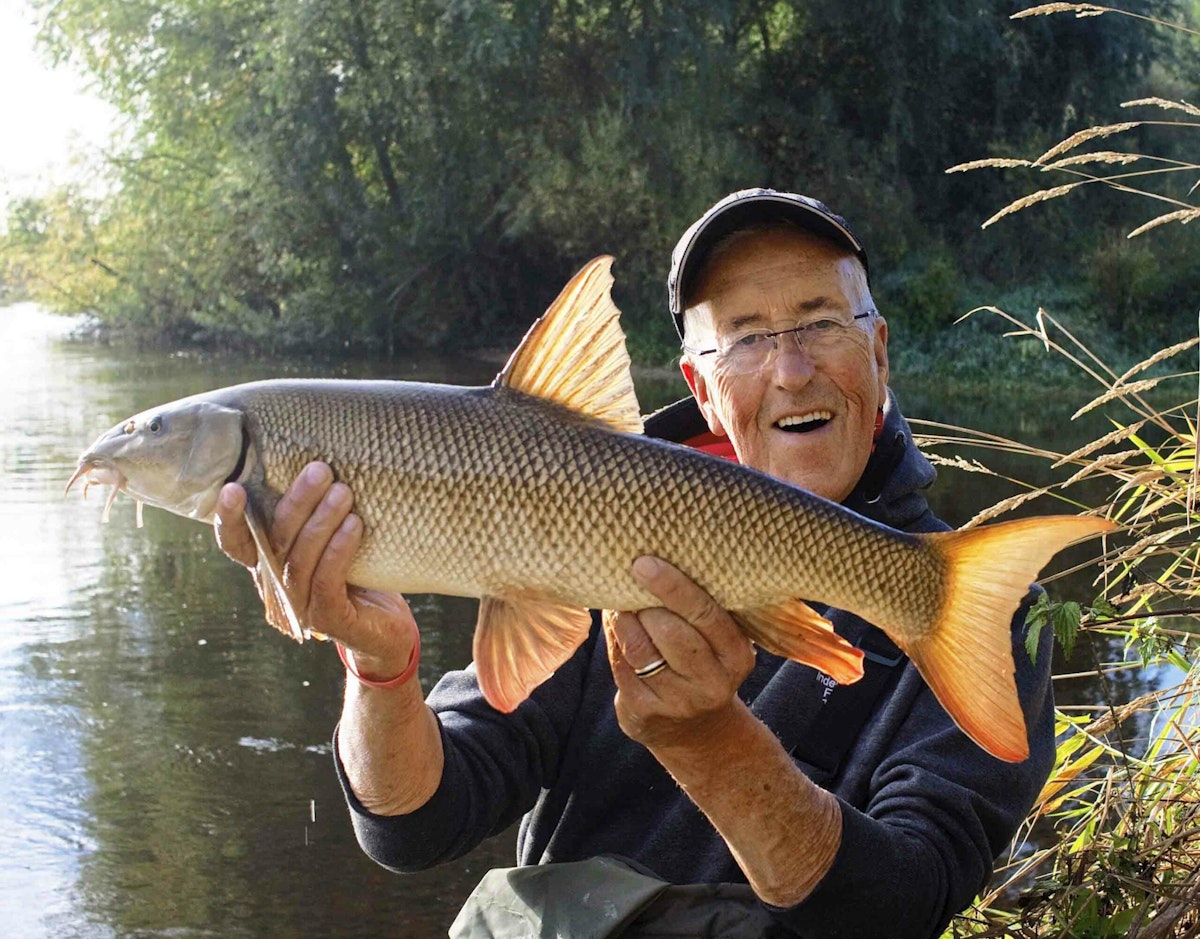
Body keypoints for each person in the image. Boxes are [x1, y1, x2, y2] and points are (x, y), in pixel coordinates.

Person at [213, 189, 1056, 938]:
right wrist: (380, 666)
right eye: (748, 338)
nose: (792, 371)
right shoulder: (577, 513)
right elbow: (413, 823)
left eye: (820, 323)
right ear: (700, 384)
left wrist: (713, 742)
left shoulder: (973, 605)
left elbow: (904, 905)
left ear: (878, 352)